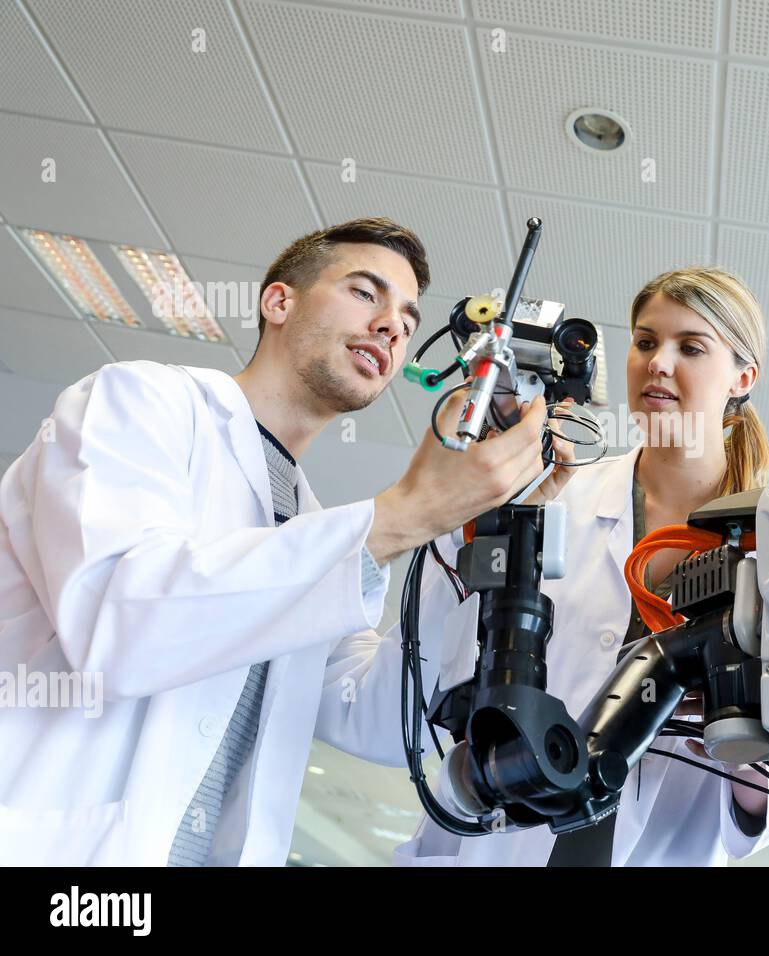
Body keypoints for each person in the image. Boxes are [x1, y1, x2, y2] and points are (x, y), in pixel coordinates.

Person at [0, 217, 550, 865]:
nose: (393, 326)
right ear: (278, 300)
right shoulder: (136, 403)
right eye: (365, 292)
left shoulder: (311, 520)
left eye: (407, 317)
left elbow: (372, 715)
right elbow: (121, 625)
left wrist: (467, 528)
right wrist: (402, 514)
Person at [317, 267, 769, 865]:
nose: (658, 363)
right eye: (645, 342)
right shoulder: (552, 495)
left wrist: (741, 733)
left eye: (690, 347)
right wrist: (476, 514)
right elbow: (427, 668)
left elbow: (768, 801)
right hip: (496, 842)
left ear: (743, 377)